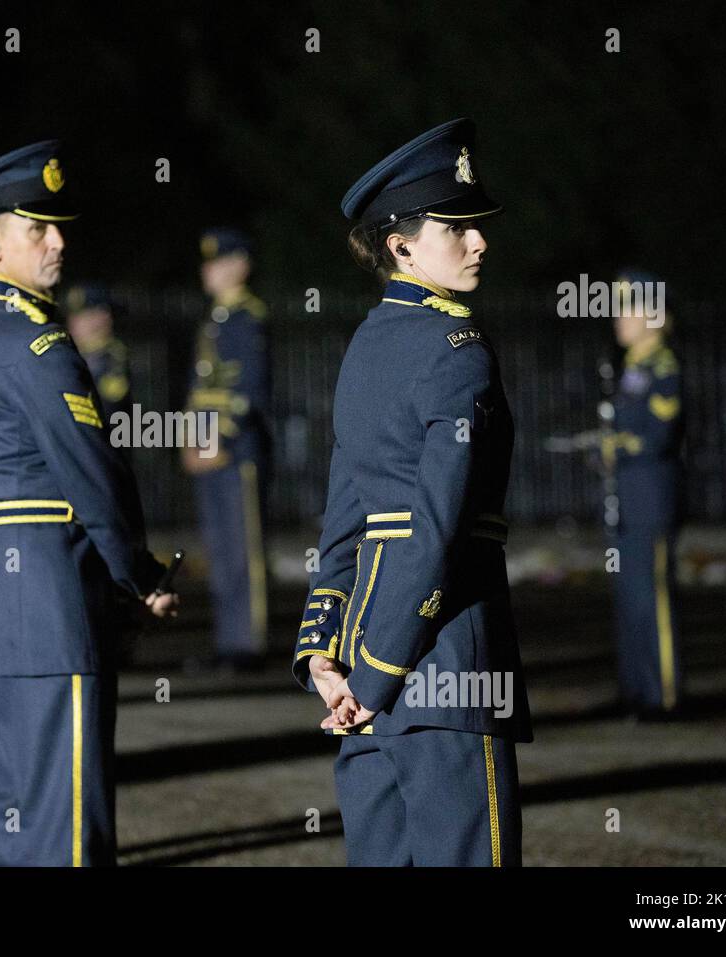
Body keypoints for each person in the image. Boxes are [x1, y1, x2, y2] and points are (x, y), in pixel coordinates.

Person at [292, 119, 532, 866]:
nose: (479, 242)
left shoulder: (366, 347)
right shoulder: (459, 351)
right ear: (400, 245)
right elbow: (436, 526)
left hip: (364, 684)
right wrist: (381, 671)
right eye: (456, 228)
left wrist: (324, 656)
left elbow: (344, 525)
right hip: (449, 671)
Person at [0, 140, 177, 866]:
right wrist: (137, 573)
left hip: (3, 604)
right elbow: (92, 472)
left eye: (58, 225)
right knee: (68, 829)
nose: (58, 240)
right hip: (49, 603)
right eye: (37, 226)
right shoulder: (34, 341)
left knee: (22, 819)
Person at [183, 228, 271, 670]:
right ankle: (227, 641)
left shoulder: (244, 317)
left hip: (236, 453)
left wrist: (221, 438)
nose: (208, 271)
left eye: (218, 262)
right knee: (219, 552)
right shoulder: (217, 317)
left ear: (241, 265)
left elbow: (248, 390)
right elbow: (203, 391)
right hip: (210, 448)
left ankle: (247, 645)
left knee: (242, 552)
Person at [603, 270, 684, 718]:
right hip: (630, 499)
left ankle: (663, 695)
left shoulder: (662, 367)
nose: (619, 318)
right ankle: (635, 689)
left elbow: (658, 436)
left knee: (653, 600)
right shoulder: (633, 367)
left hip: (652, 498)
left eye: (628, 308)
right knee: (631, 597)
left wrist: (616, 444)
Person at [64, 283, 132, 423]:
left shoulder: (114, 357)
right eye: (73, 314)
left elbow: (110, 406)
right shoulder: (68, 352)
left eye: (84, 315)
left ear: (103, 316)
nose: (74, 321)